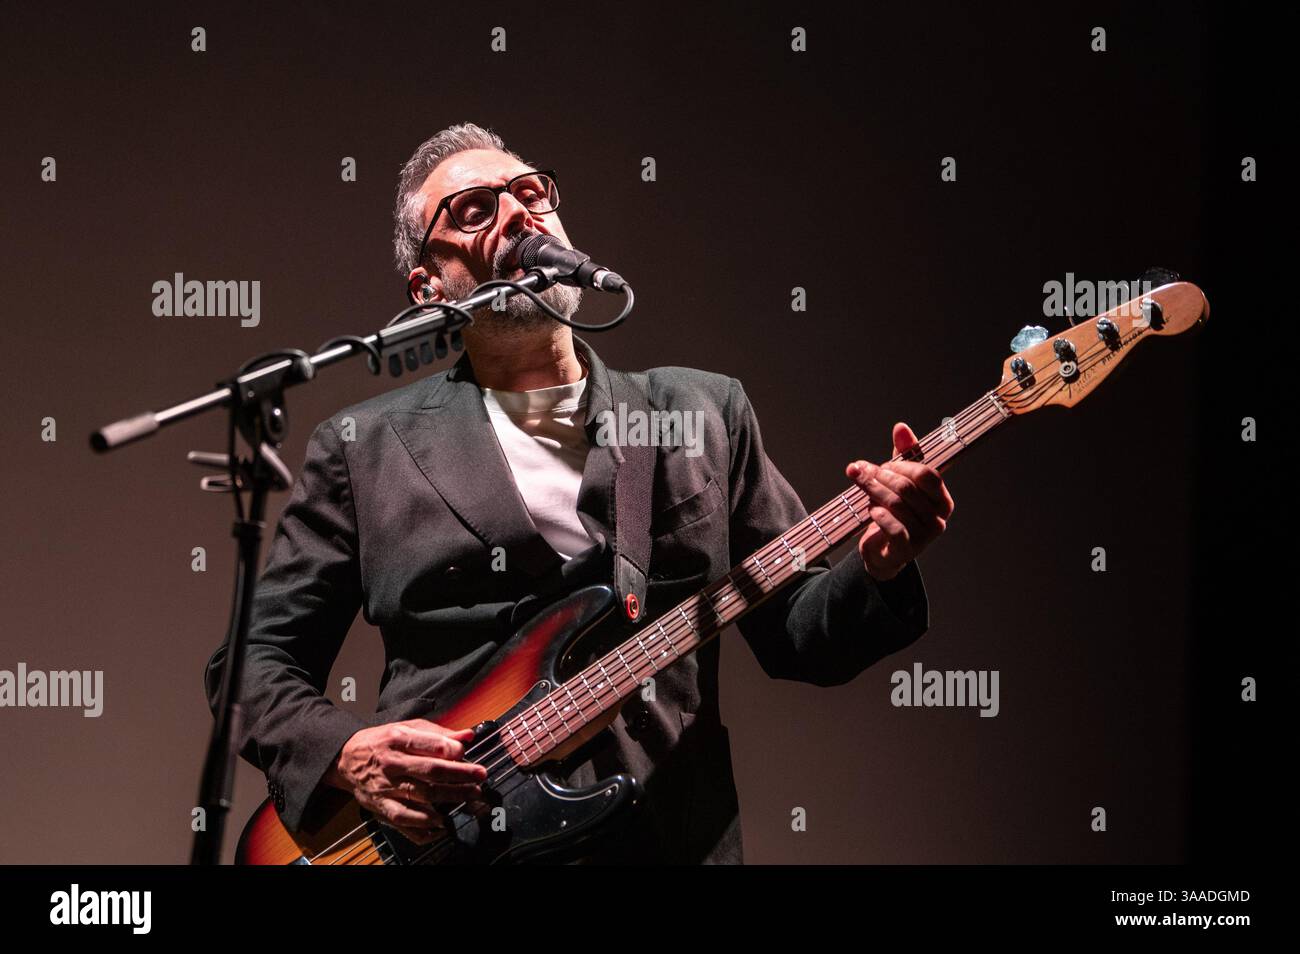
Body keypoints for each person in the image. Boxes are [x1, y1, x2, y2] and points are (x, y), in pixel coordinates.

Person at [205, 122, 955, 863]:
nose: (519, 213)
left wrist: (880, 566)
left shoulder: (698, 412)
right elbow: (252, 663)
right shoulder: (362, 448)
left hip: (666, 840)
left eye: (531, 191)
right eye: (475, 209)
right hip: (443, 850)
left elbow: (797, 632)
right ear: (427, 287)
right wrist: (346, 753)